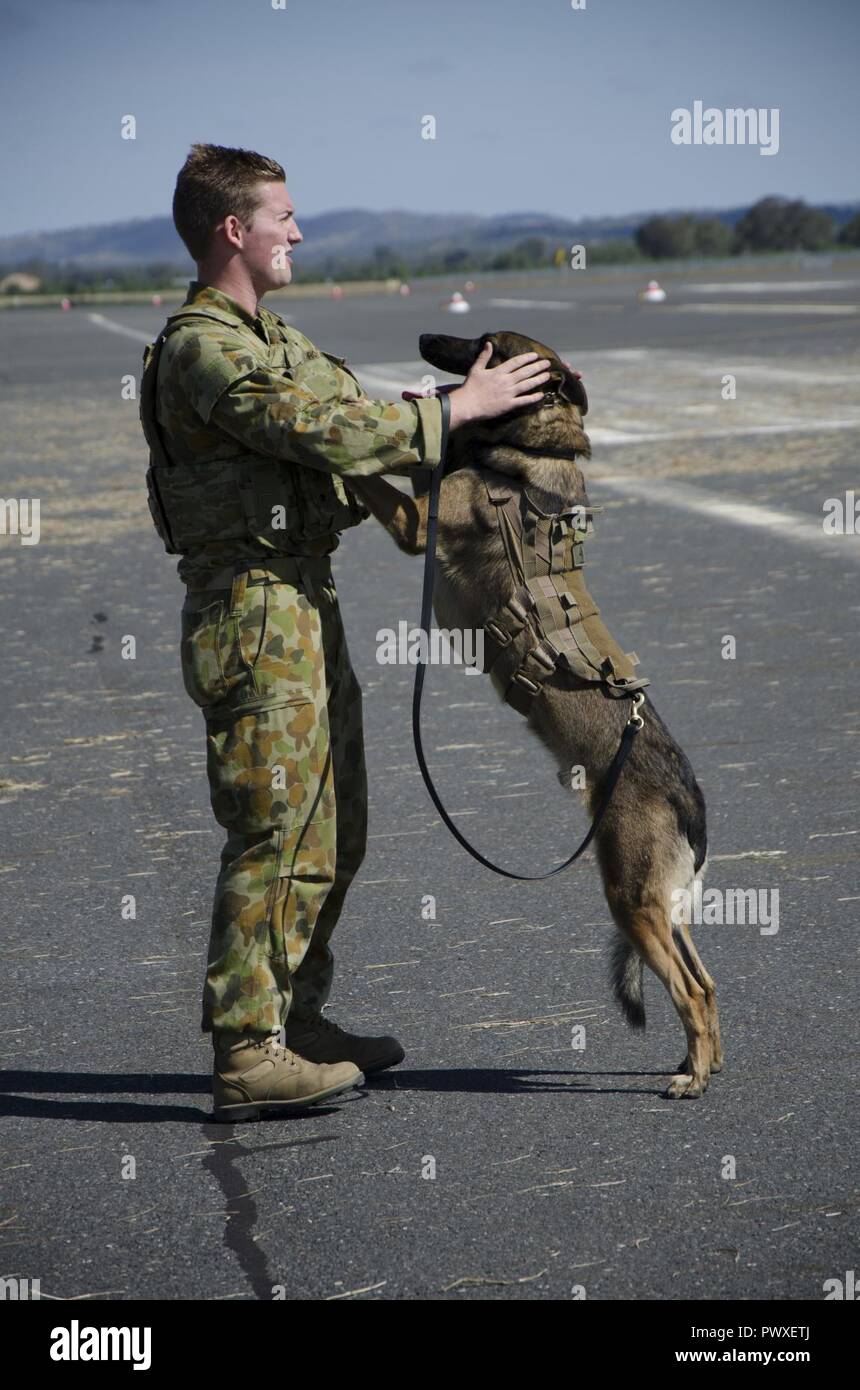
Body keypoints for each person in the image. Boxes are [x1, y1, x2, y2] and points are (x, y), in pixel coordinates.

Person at [139, 143, 553, 1120]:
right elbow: (315, 429)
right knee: (274, 826)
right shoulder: (204, 346)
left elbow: (353, 411)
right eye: (283, 214)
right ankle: (246, 1051)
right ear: (233, 230)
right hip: (250, 612)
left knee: (334, 826)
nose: (298, 230)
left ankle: (294, 1018)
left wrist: (440, 420)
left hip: (303, 605)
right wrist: (460, 407)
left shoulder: (273, 338)